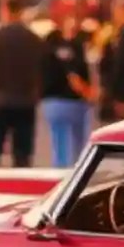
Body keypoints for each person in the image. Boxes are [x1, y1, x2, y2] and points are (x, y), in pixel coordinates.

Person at [0, 0, 43, 168]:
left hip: (0, 101)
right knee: (23, 151)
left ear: (5, 10)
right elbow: (41, 68)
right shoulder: (32, 38)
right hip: (25, 101)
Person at [40, 15, 94, 168]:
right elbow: (74, 78)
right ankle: (77, 173)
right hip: (74, 101)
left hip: (52, 102)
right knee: (78, 145)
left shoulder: (48, 46)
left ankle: (60, 172)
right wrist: (89, 94)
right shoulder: (76, 48)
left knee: (59, 143)